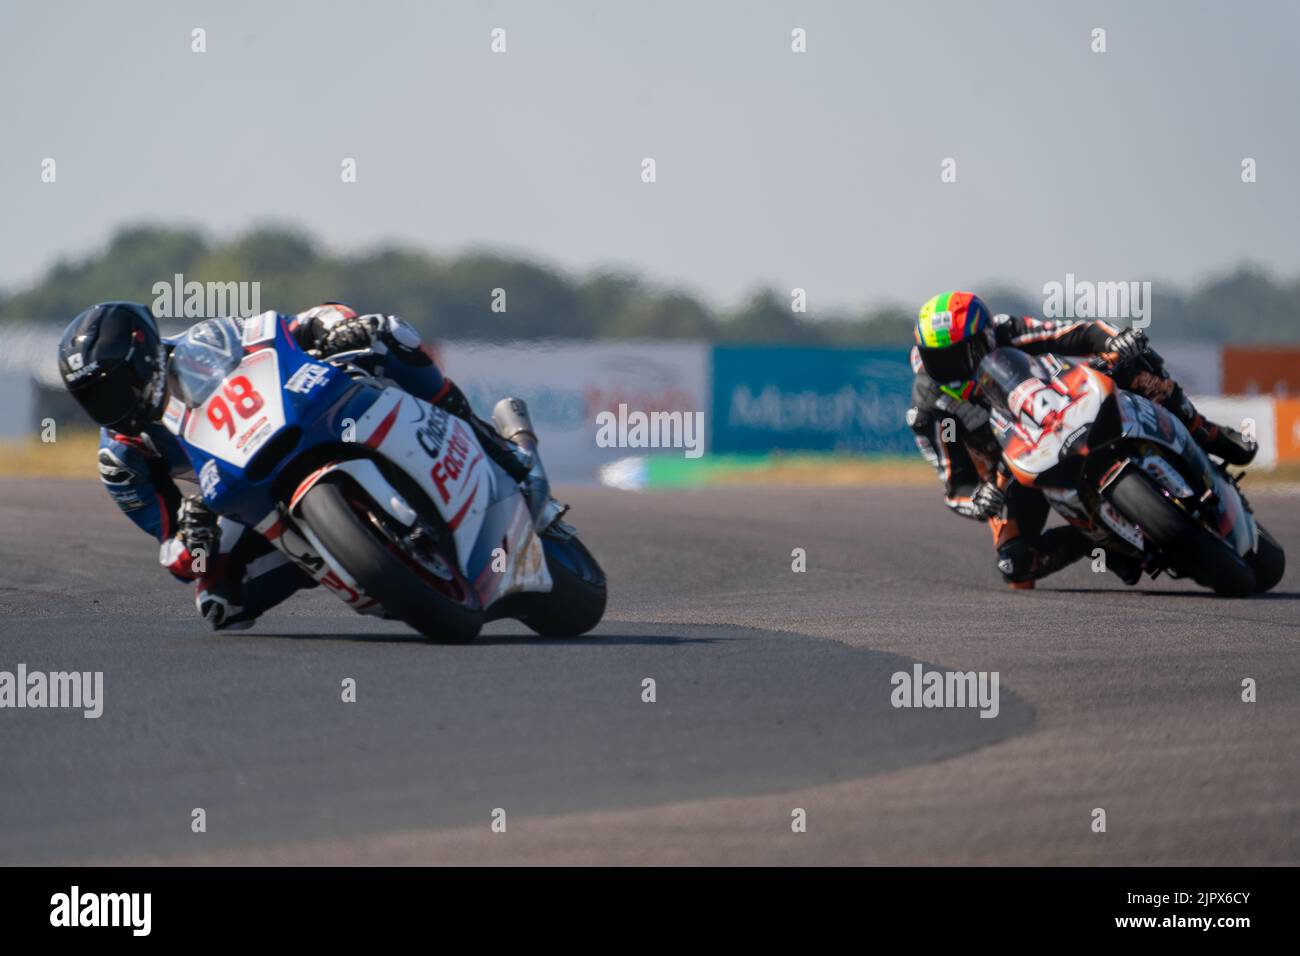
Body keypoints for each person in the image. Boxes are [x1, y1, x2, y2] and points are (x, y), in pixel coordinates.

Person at [57, 301, 533, 629]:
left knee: (385, 334)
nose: (111, 403)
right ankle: (353, 555)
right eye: (94, 397)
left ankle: (486, 437)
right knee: (219, 603)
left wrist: (338, 325)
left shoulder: (203, 343)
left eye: (115, 385)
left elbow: (295, 324)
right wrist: (191, 538)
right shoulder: (122, 457)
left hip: (300, 413)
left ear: (144, 356)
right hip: (234, 491)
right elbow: (173, 552)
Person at [906, 290, 1256, 588]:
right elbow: (954, 485)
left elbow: (1076, 333)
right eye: (944, 361)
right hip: (1010, 465)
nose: (959, 368)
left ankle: (1204, 431)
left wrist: (1113, 341)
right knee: (1017, 567)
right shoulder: (929, 407)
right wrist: (980, 499)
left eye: (967, 352)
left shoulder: (1005, 330)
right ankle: (1099, 540)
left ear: (986, 337)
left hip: (1063, 401)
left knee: (1132, 360)